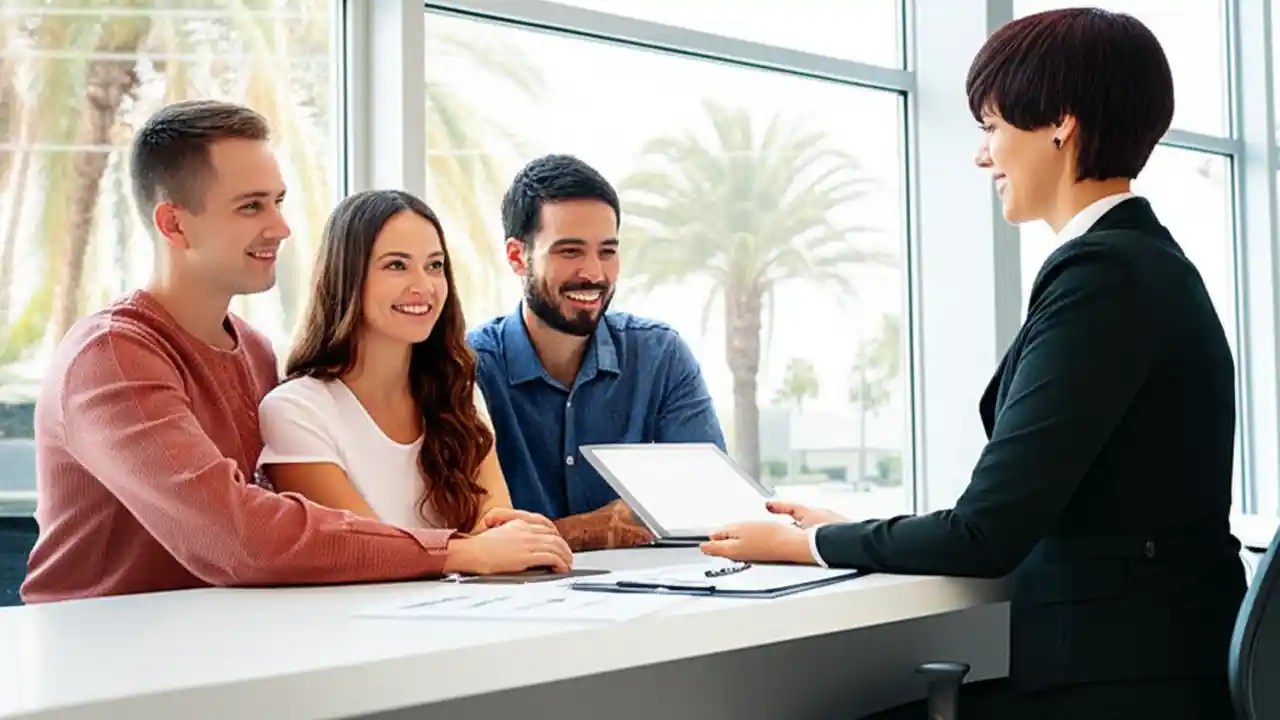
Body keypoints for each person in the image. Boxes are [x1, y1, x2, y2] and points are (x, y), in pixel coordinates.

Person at [700, 9, 1245, 719]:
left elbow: (987, 533)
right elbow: (1037, 506)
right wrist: (854, 530)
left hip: (1119, 685)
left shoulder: (1104, 278)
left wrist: (809, 544)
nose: (982, 156)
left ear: (1060, 124)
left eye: (991, 127)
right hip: (1153, 665)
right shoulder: (1147, 264)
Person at [21, 100, 569, 604]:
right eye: (250, 206)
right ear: (174, 223)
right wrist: (455, 551)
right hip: (98, 657)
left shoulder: (254, 351)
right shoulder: (112, 357)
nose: (280, 227)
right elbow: (235, 534)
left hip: (216, 643)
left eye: (278, 201)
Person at [256, 189, 567, 561]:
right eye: (396, 265)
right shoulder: (295, 410)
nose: (424, 286)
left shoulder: (457, 392)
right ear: (347, 277)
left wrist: (523, 540)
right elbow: (365, 551)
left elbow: (495, 528)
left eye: (435, 266)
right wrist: (477, 551)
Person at [467, 154, 726, 551]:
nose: (594, 273)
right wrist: (591, 528)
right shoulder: (470, 367)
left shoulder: (660, 355)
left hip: (656, 597)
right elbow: (464, 533)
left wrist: (549, 535)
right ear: (518, 257)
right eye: (570, 252)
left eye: (607, 251)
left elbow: (706, 499)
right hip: (514, 603)